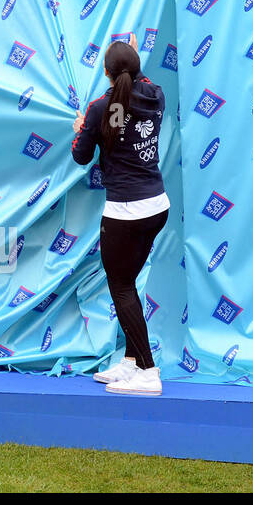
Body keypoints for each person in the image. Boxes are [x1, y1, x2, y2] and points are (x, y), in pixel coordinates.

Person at [72, 34, 169, 396]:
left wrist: (81, 128)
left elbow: (81, 157)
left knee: (122, 287)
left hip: (126, 213)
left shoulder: (100, 108)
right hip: (156, 206)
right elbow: (137, 85)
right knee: (128, 283)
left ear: (107, 74)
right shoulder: (156, 94)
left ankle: (147, 370)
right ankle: (130, 363)